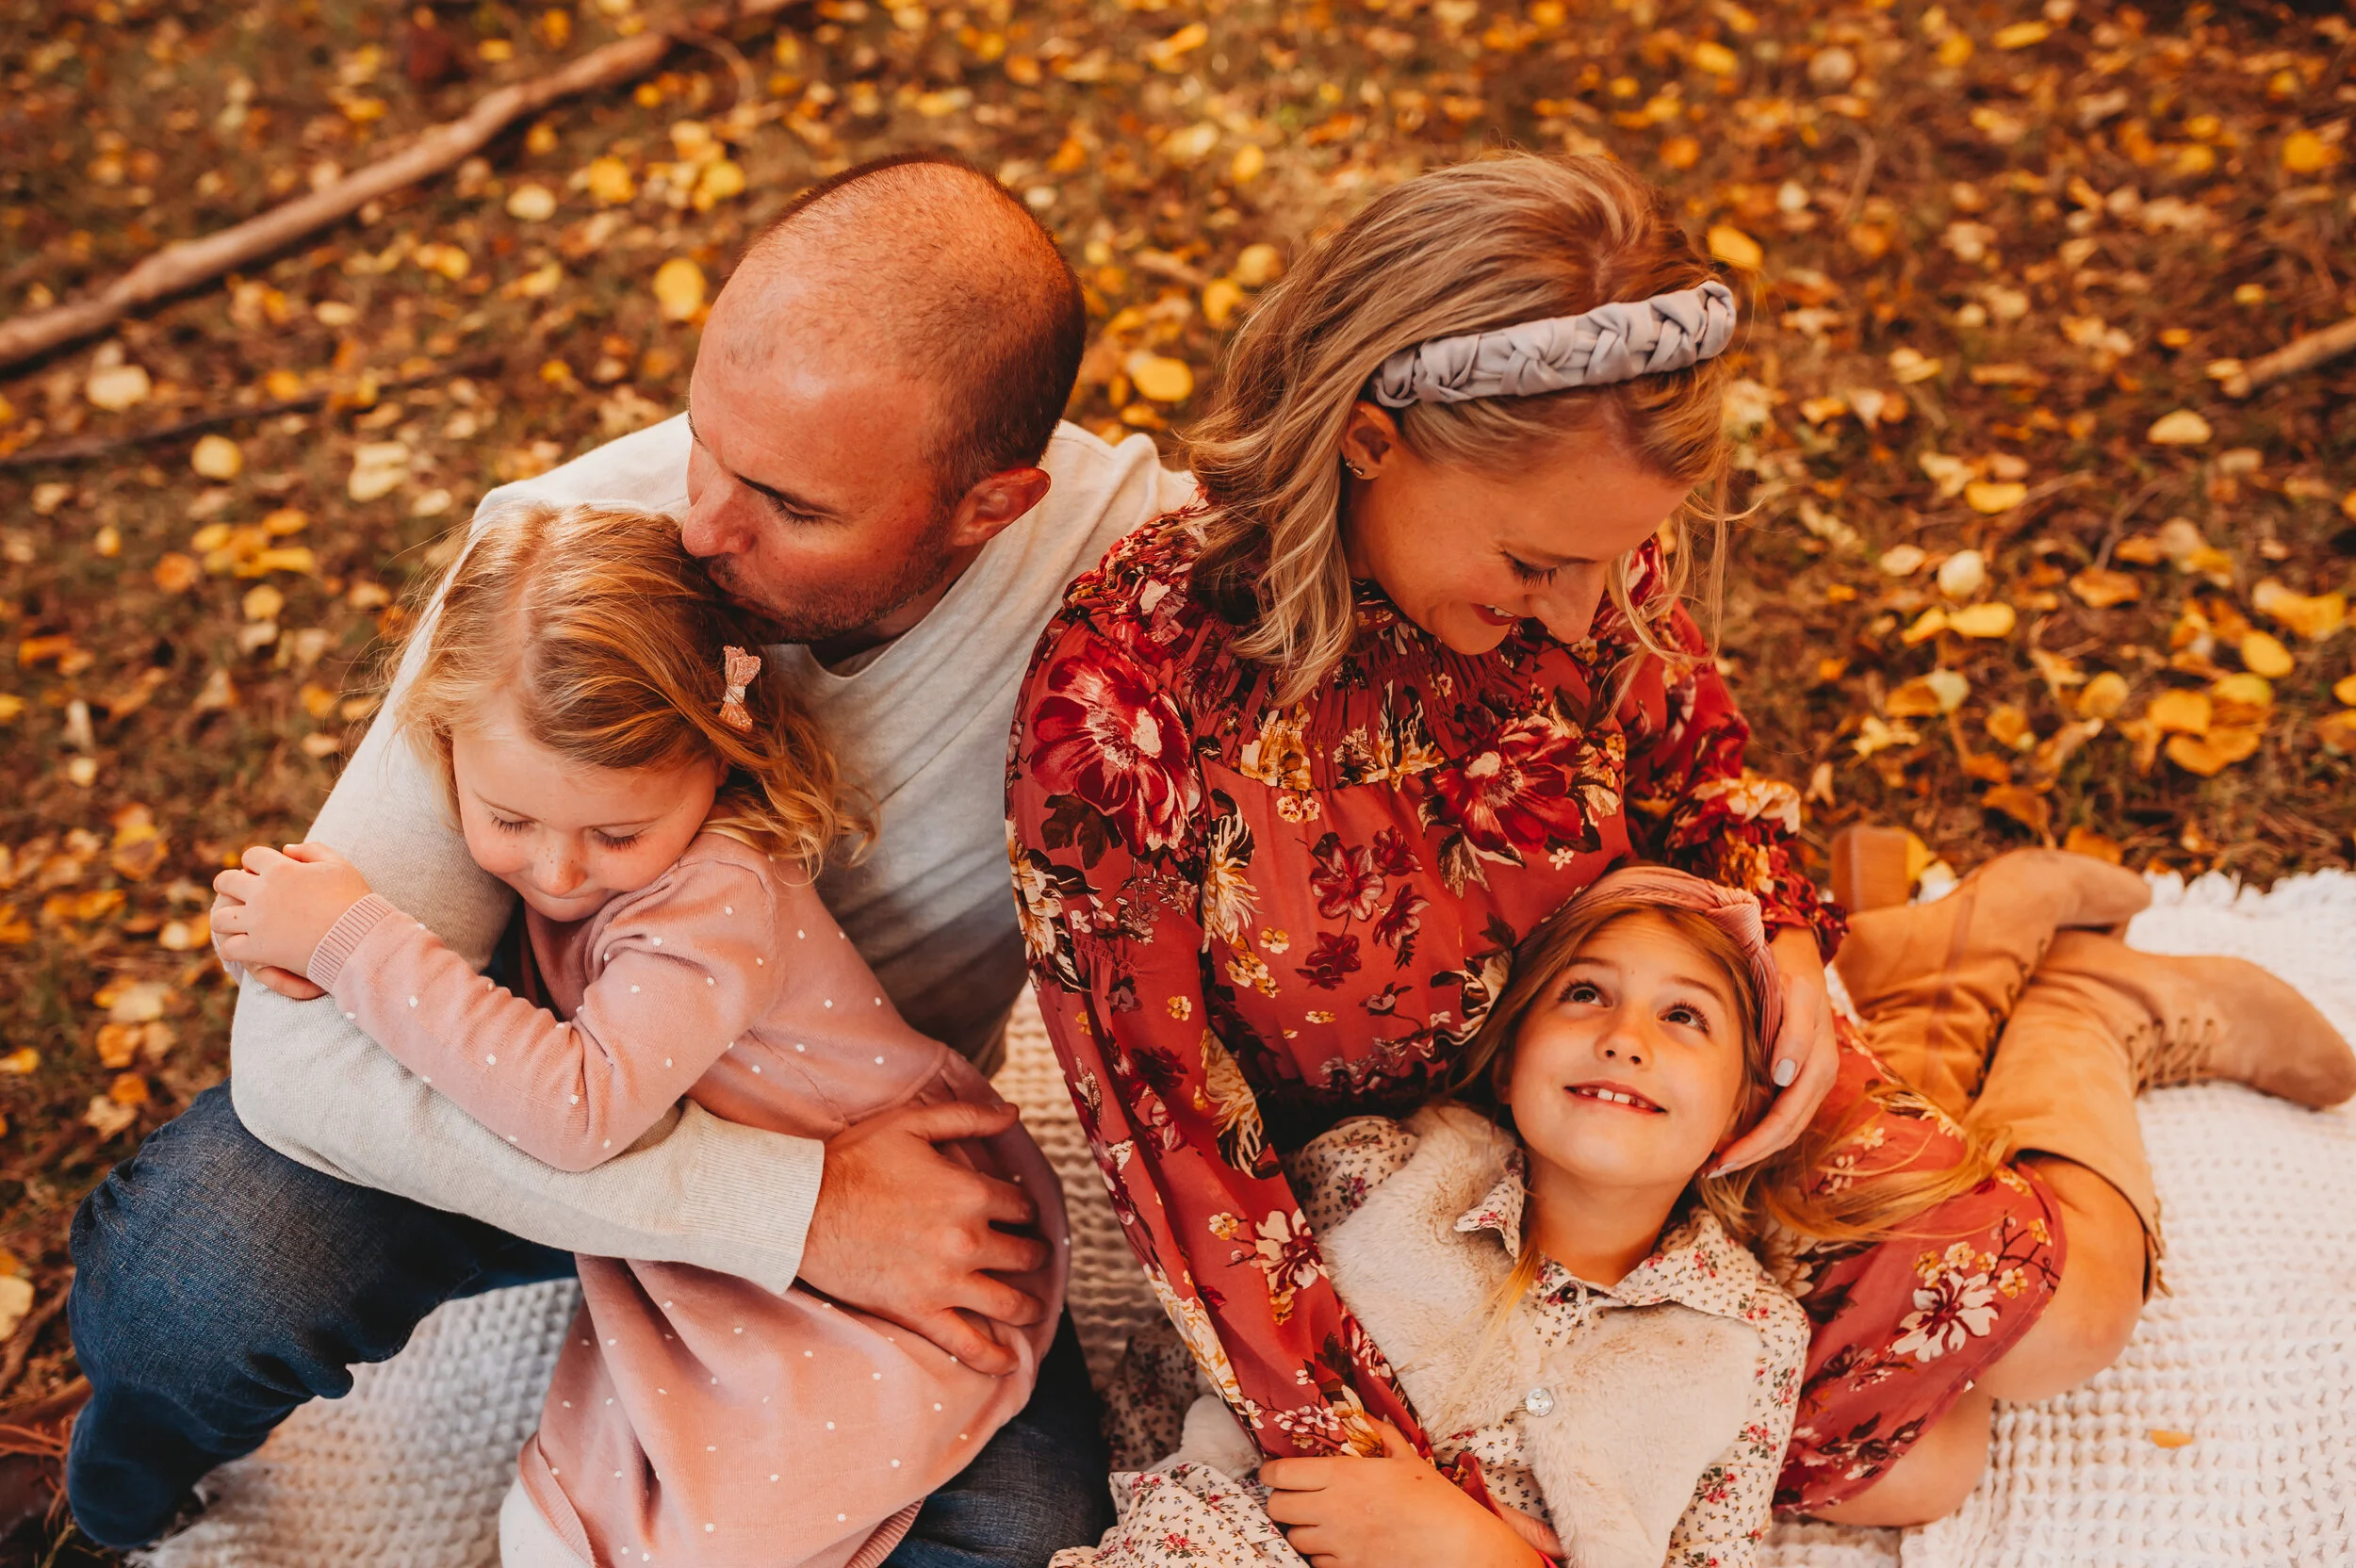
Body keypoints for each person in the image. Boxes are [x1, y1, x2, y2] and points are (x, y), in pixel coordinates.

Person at [1004, 148, 2356, 1534]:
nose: (1591, 615)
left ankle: (2084, 1016)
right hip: (1400, 1209)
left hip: (1655, 1068)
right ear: (1368, 436)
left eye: (1618, 562)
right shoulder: (1125, 696)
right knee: (1908, 1468)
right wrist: (1393, 1476)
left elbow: (1704, 788)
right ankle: (1947, 959)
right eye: (1537, 567)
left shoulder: (1580, 548)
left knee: (2055, 1323)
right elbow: (1170, 1135)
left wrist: (1775, 928)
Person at [68, 154, 1190, 1560]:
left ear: (991, 507)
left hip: (853, 1128)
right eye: (706, 438)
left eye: (792, 504)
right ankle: (104, 1510)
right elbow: (294, 1064)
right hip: (520, 1087)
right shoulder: (570, 553)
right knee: (199, 1276)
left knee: (1022, 1528)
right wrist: (789, 1215)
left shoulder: (1143, 596)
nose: (701, 525)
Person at [208, 501, 1069, 1567]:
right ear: (444, 746)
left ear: (721, 757)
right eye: (508, 822)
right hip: (726, 1188)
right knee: (597, 1490)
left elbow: (576, 1110)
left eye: (616, 832)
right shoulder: (526, 779)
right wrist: (290, 930)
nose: (558, 873)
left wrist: (352, 939)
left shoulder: (714, 891)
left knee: (760, 1494)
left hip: (881, 1197)